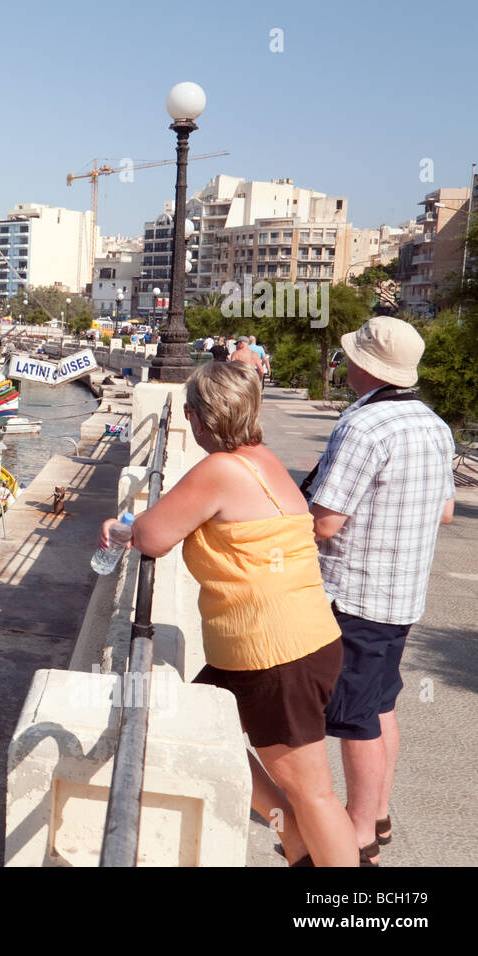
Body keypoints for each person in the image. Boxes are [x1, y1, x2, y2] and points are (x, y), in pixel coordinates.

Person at [100, 361, 356, 866]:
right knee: (191, 723)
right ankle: (296, 841)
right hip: (270, 645)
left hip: (277, 653)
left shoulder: (219, 469)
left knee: (314, 793)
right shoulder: (261, 459)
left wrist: (125, 527)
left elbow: (153, 535)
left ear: (196, 417)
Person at [306, 316, 455, 866]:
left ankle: (359, 833)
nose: (345, 364)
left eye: (351, 357)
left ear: (366, 366)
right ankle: (381, 813)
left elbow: (324, 524)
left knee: (354, 718)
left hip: (356, 595)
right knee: (381, 703)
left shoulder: (363, 427)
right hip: (402, 595)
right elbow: (444, 512)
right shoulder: (434, 424)